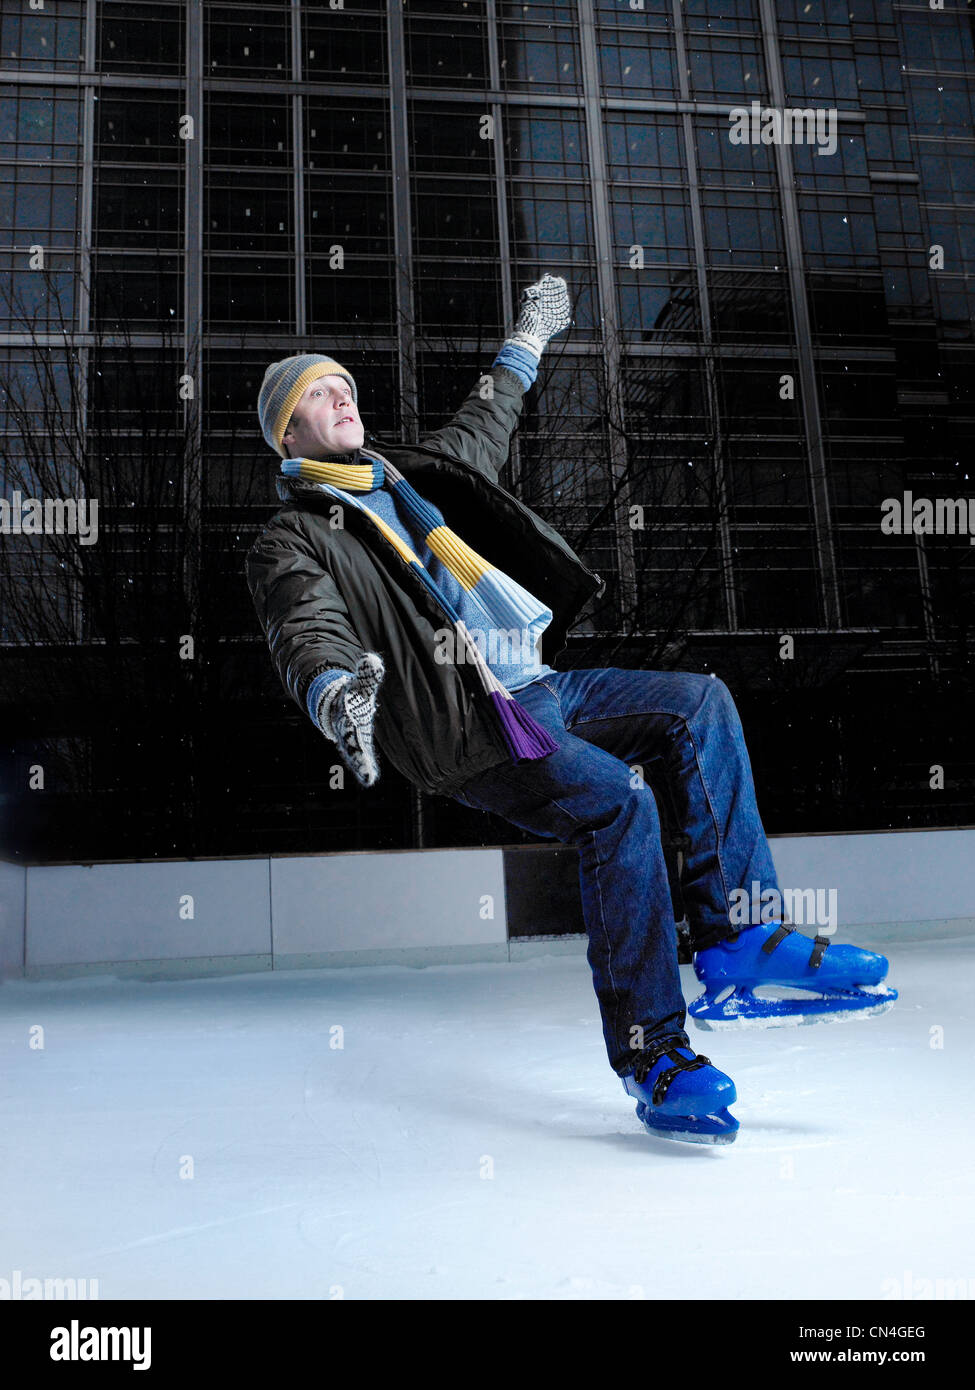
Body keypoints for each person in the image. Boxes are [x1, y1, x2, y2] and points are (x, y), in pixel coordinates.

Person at [246, 275, 896, 1147]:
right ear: (287, 434)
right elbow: (304, 622)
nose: (341, 399)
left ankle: (741, 938)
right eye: (318, 395)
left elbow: (485, 421)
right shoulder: (292, 537)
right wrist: (333, 690)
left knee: (697, 703)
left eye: (345, 387)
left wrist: (527, 339)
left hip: (538, 686)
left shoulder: (413, 479)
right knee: (619, 803)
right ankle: (656, 1055)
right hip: (471, 722)